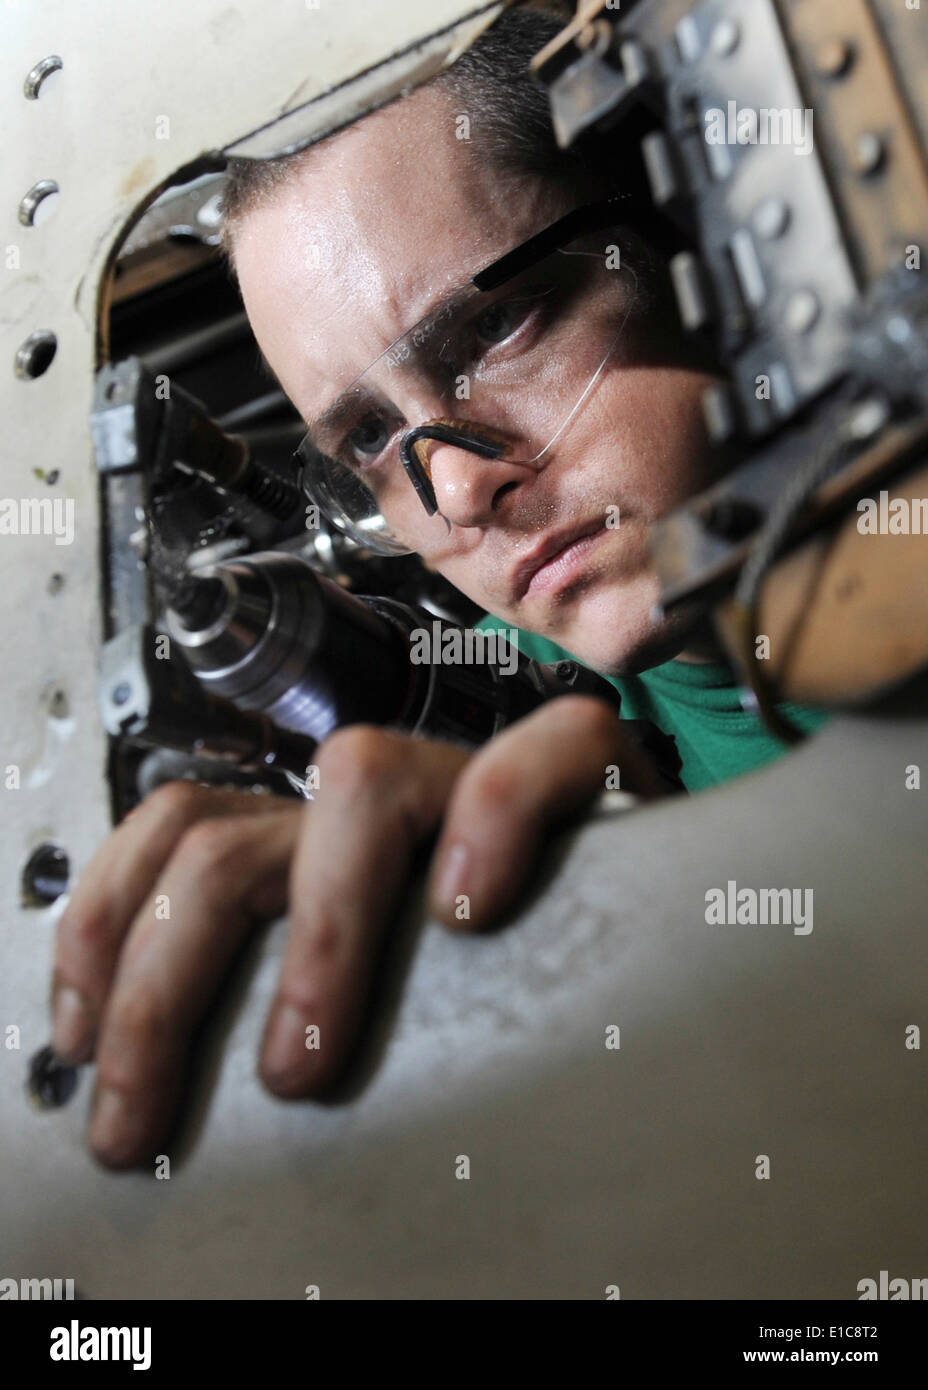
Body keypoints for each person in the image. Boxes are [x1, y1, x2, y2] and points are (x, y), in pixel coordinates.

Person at [51, 6, 826, 1168]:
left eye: (500, 324)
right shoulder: (529, 712)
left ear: (686, 220)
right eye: (369, 435)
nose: (457, 490)